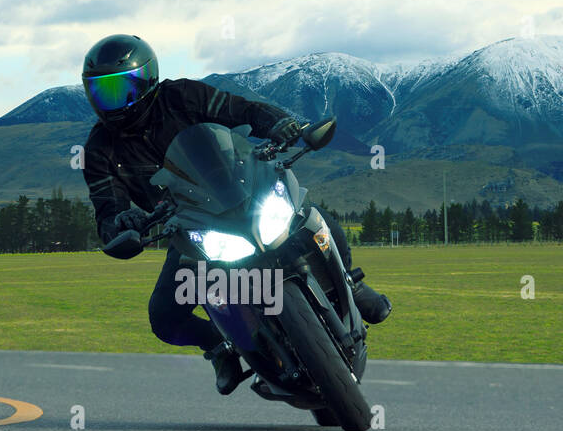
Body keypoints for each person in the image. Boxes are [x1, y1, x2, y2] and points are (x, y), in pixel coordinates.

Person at [81, 33, 391, 394]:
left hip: (246, 193)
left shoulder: (182, 96)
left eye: (121, 89)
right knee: (164, 317)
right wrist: (121, 222)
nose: (114, 101)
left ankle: (350, 282)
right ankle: (219, 347)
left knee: (308, 216)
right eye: (103, 92)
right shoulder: (99, 148)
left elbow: (240, 111)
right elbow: (106, 207)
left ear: (147, 80)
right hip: (190, 228)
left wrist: (280, 123)